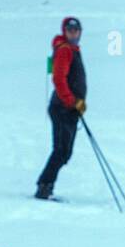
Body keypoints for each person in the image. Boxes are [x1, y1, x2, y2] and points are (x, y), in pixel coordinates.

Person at [36, 16, 87, 200]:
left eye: (76, 30)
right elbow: (58, 79)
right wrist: (72, 101)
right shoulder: (65, 50)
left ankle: (46, 185)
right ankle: (44, 186)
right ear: (64, 32)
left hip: (69, 108)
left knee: (64, 152)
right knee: (61, 150)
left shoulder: (72, 50)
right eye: (70, 30)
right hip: (62, 108)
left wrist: (78, 104)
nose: (73, 33)